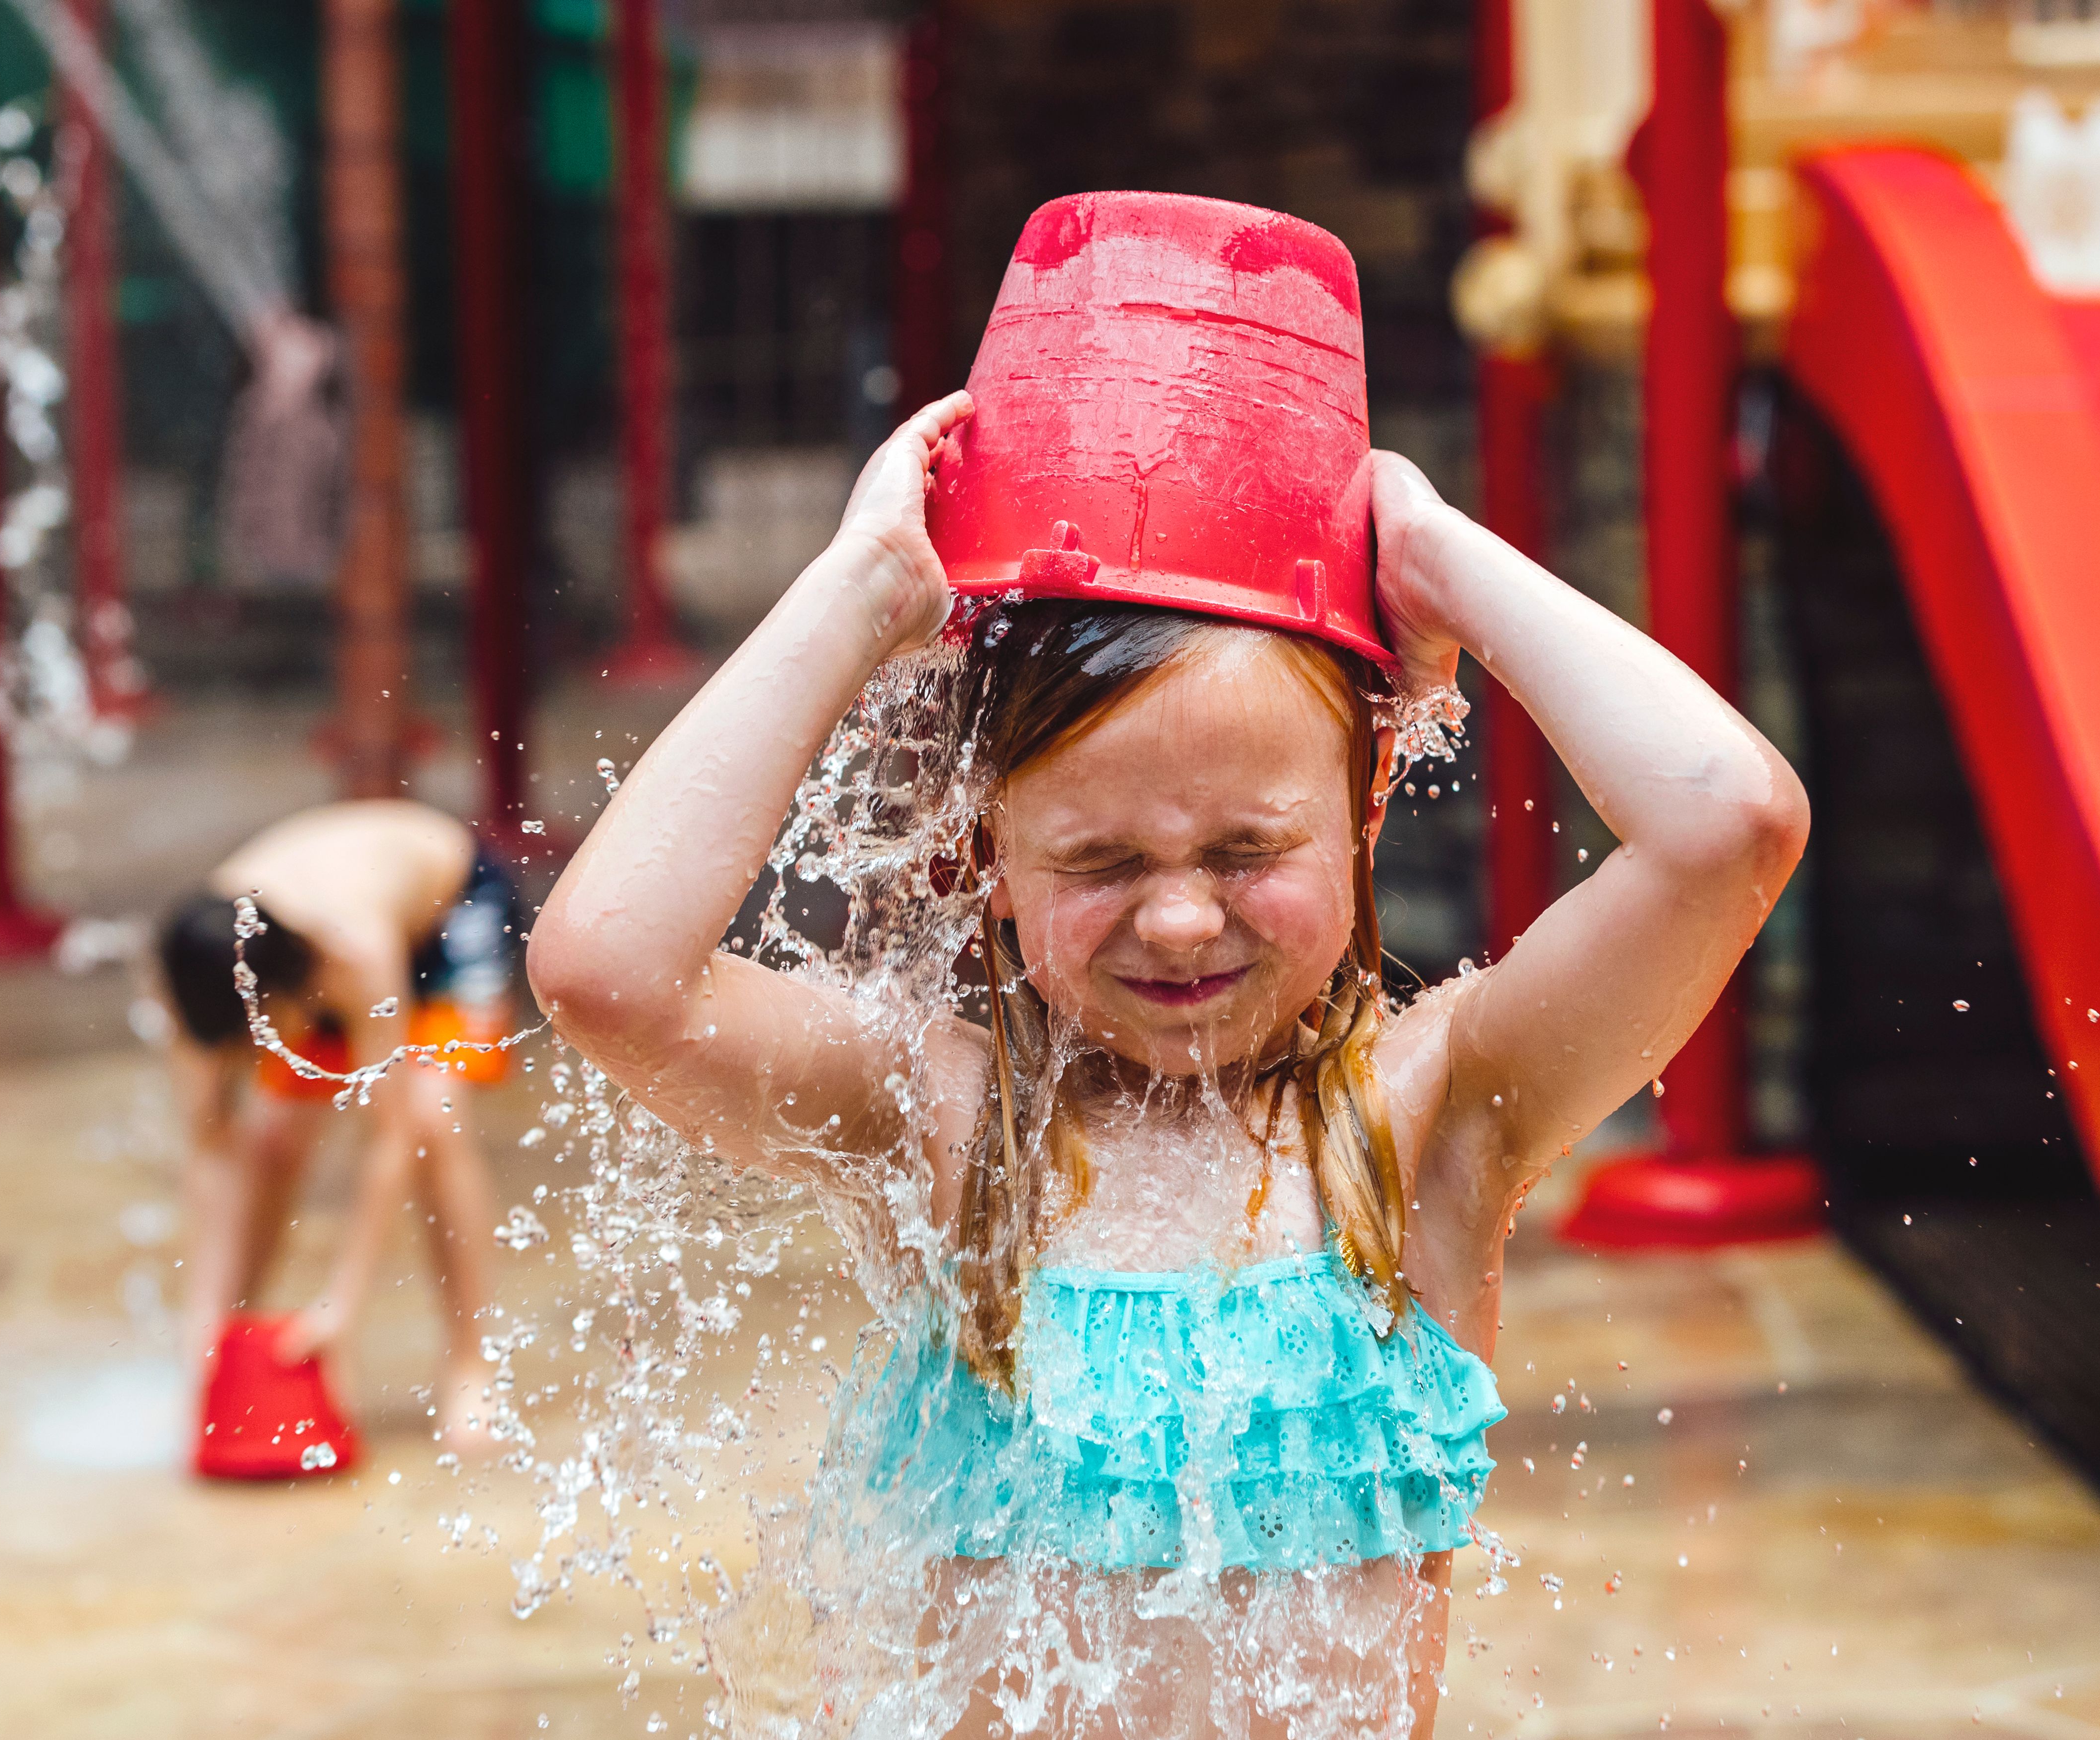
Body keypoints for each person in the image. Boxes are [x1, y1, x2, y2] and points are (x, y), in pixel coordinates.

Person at [527, 289, 1805, 1732]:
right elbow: (607, 970)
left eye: (1250, 852)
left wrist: (1435, 555)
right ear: (988, 860)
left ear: (1364, 817)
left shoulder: (1426, 1117)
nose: (1183, 916)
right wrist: (857, 593)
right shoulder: (939, 1115)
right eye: (1099, 861)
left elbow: (1732, 824)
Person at [157, 800, 515, 1458]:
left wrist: (340, 1305)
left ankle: (471, 1365)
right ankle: (225, 1344)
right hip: (298, 958)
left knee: (434, 1121)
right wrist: (202, 1320)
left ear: (283, 1002)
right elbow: (211, 1143)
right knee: (271, 1139)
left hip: (450, 909)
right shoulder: (196, 970)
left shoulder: (355, 951)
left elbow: (392, 1136)